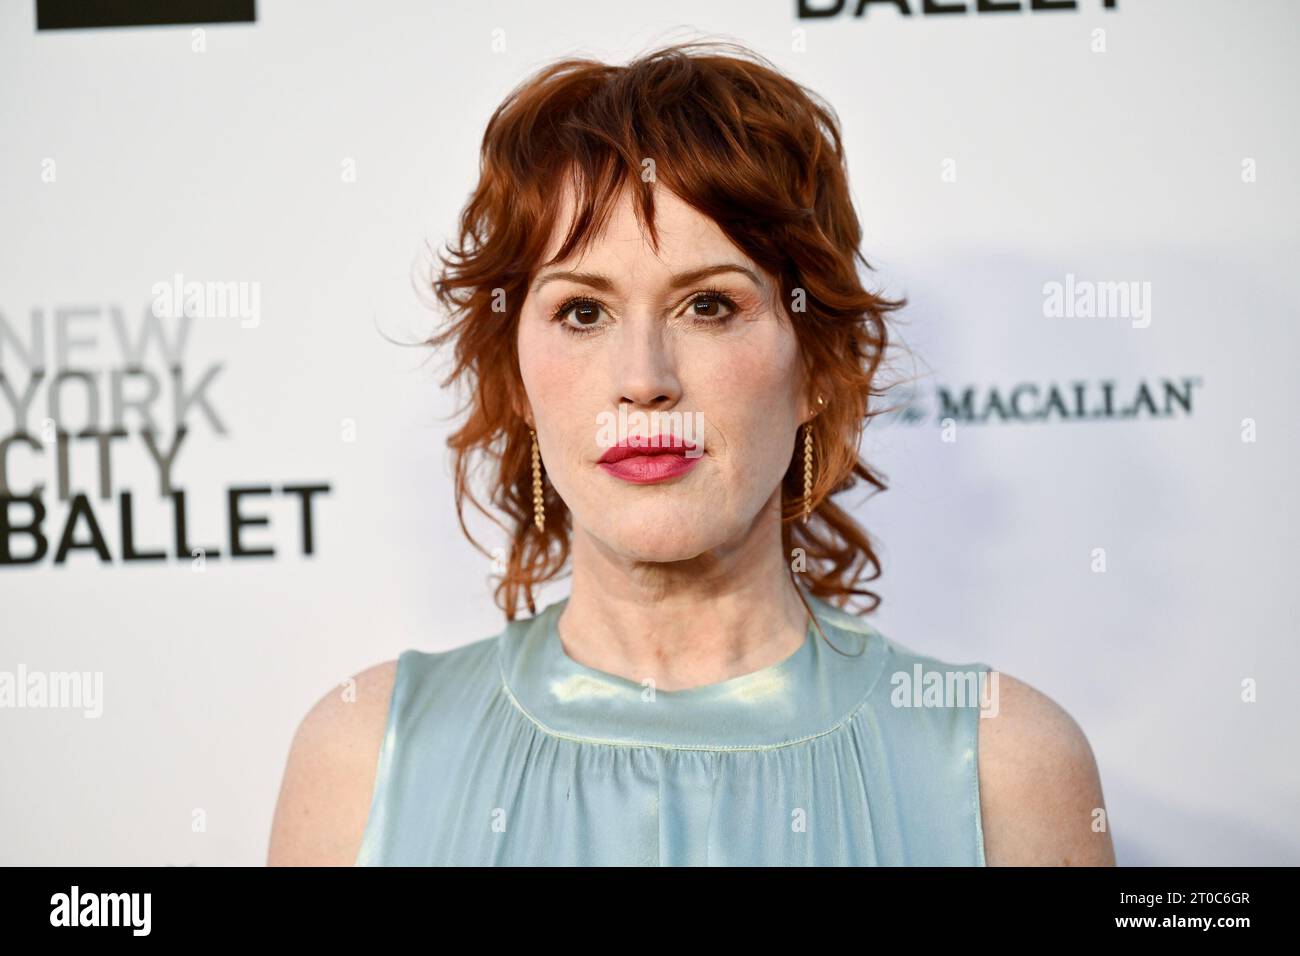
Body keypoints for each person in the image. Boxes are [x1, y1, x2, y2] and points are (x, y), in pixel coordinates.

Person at [267, 40, 1115, 866]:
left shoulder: (1003, 768)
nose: (644, 381)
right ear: (517, 379)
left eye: (708, 306)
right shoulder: (364, 759)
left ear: (816, 364)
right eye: (582, 313)